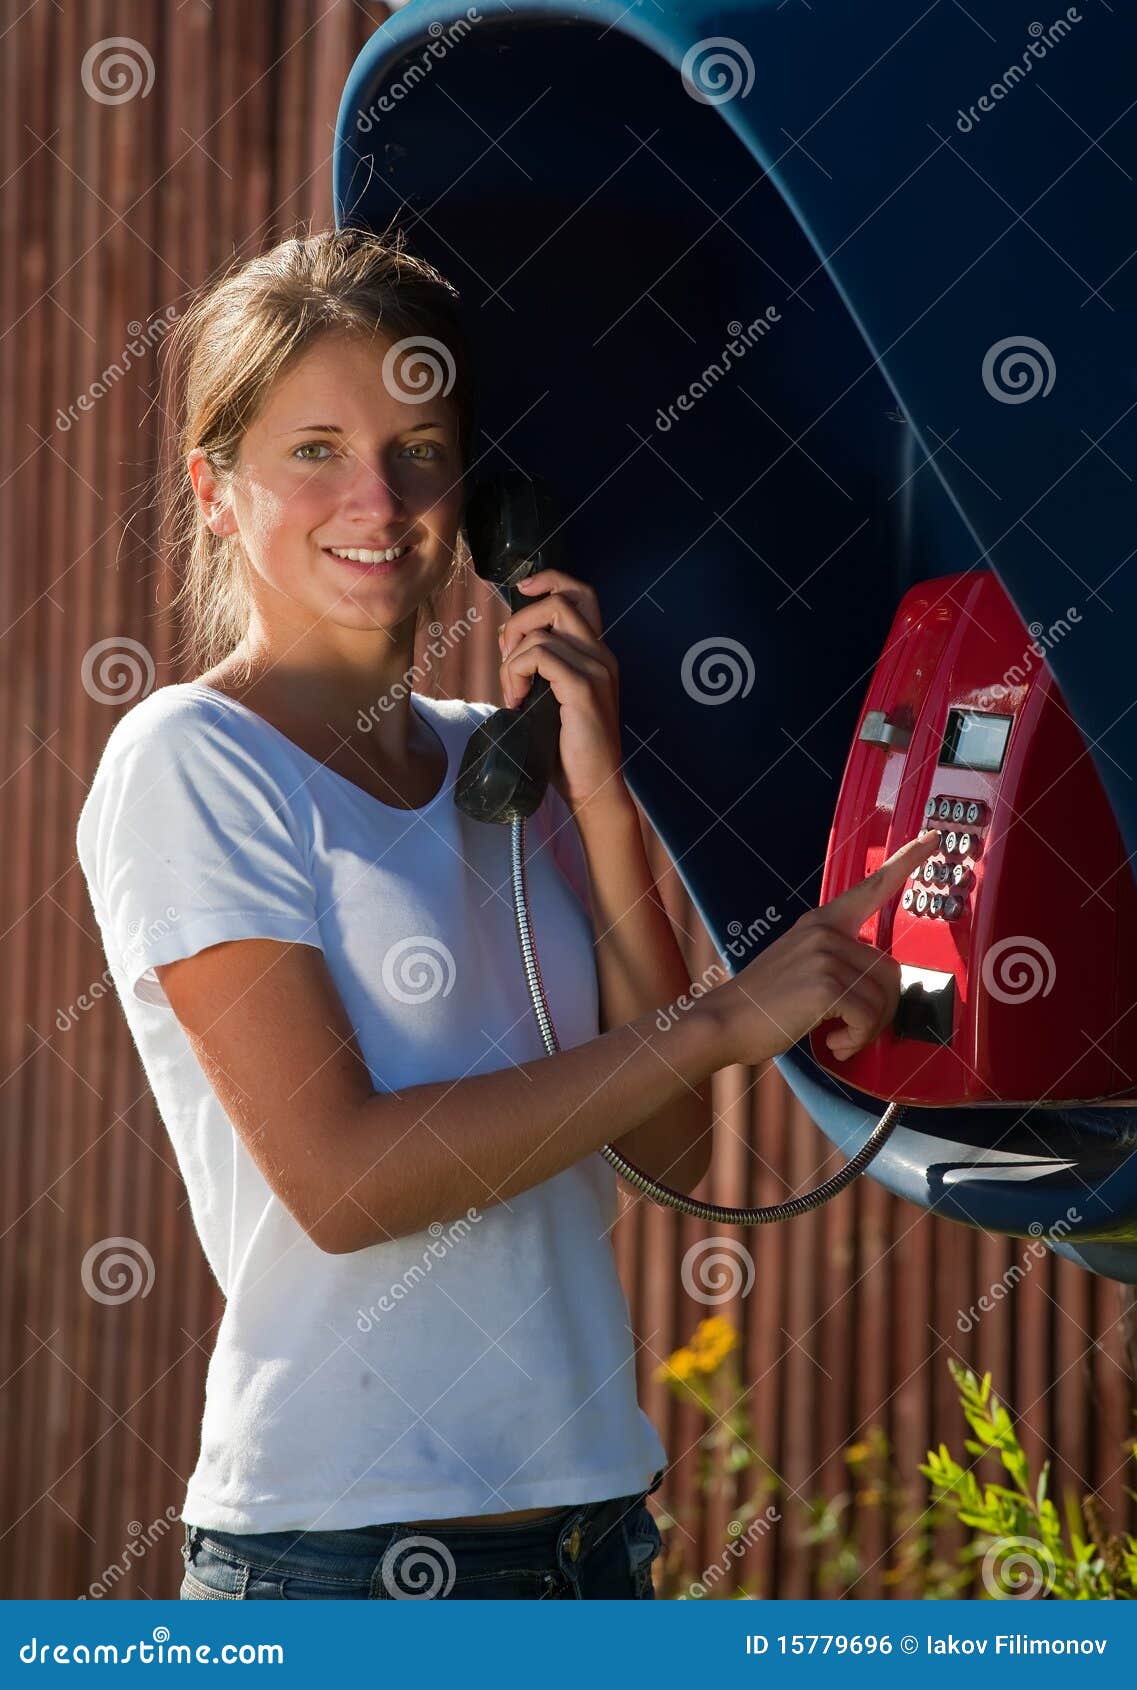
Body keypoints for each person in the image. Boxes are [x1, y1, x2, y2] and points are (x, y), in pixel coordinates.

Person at [75, 227, 939, 1601]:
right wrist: (723, 1015)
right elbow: (344, 1181)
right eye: (316, 449)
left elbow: (665, 1142)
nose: (378, 492)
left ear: (481, 502)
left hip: (592, 1523)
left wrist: (595, 790)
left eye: (420, 447)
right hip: (339, 1550)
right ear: (218, 488)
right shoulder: (193, 760)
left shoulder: (506, 765)